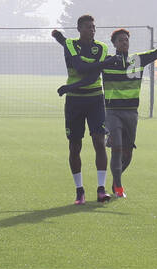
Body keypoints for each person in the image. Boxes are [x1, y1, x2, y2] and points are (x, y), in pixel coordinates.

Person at [58, 24, 157, 198]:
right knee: (116, 149)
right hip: (112, 112)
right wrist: (69, 87)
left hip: (132, 113)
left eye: (126, 40)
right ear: (114, 44)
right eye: (120, 40)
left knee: (127, 155)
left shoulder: (138, 60)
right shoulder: (108, 61)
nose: (124, 42)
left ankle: (115, 181)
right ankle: (119, 189)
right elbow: (91, 78)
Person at [52, 15, 123, 204]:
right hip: (74, 102)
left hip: (94, 99)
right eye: (87, 27)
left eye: (93, 27)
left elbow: (92, 78)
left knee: (99, 142)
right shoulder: (70, 45)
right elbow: (80, 67)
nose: (92, 30)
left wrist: (69, 86)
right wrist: (106, 63)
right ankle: (79, 190)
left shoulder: (101, 47)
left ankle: (101, 188)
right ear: (79, 29)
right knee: (75, 146)